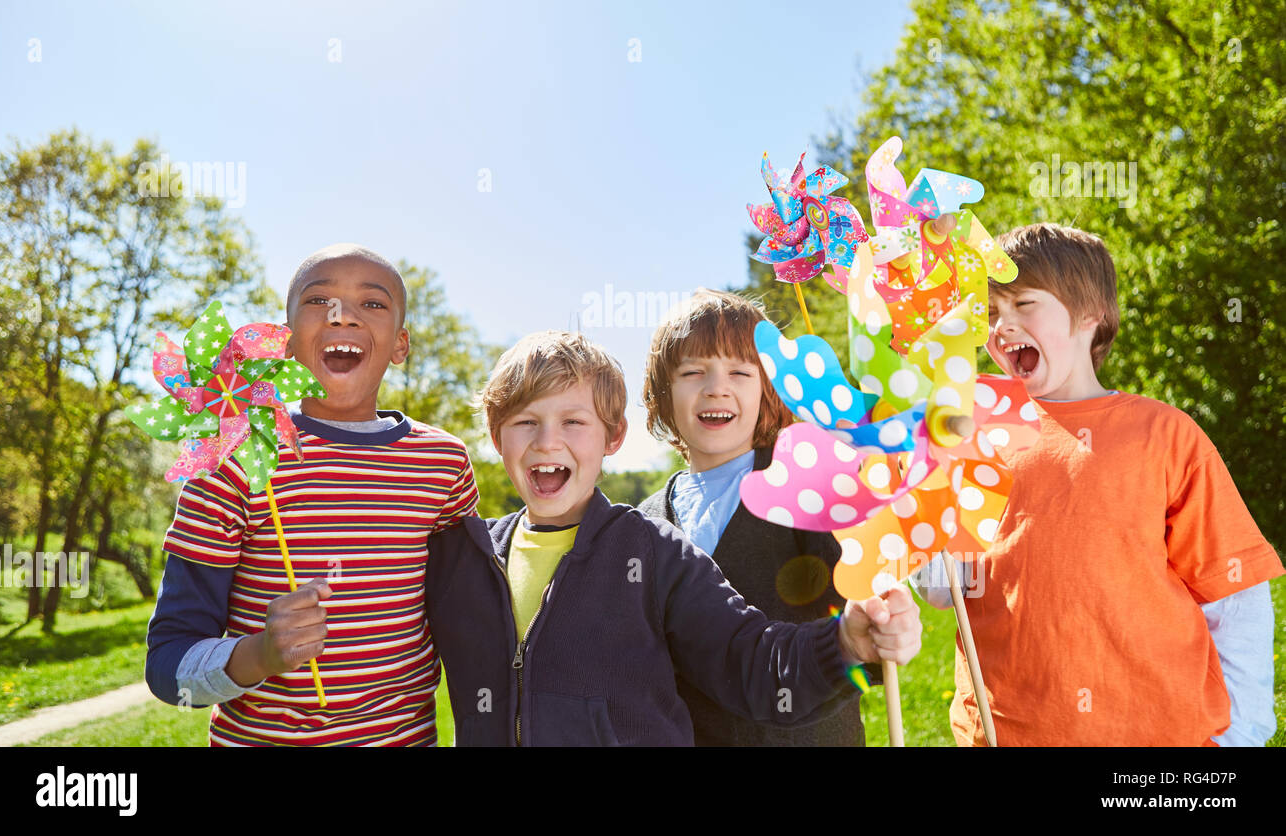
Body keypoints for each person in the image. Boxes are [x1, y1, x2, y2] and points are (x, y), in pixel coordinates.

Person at [424, 330, 922, 746]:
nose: (547, 441)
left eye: (573, 422)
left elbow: (748, 657)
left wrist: (843, 643)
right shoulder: (461, 559)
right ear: (496, 438)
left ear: (612, 437)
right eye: (525, 423)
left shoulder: (654, 552)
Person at [915, 223, 1283, 746]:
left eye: (1023, 303)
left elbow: (1235, 589)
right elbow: (942, 589)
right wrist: (921, 509)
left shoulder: (1163, 434)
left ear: (1091, 316)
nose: (1002, 325)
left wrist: (1242, 733)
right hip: (1007, 732)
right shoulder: (972, 434)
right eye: (992, 312)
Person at [145, 244, 481, 746]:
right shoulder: (232, 460)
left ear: (400, 345)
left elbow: (466, 615)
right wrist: (259, 655)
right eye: (319, 300)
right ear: (282, 342)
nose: (342, 316)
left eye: (372, 303)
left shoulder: (443, 463)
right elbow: (168, 665)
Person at [636, 288, 875, 745]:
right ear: (663, 393)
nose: (716, 387)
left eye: (739, 372)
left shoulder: (809, 486)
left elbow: (858, 606)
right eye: (693, 371)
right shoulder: (645, 521)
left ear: (768, 389)